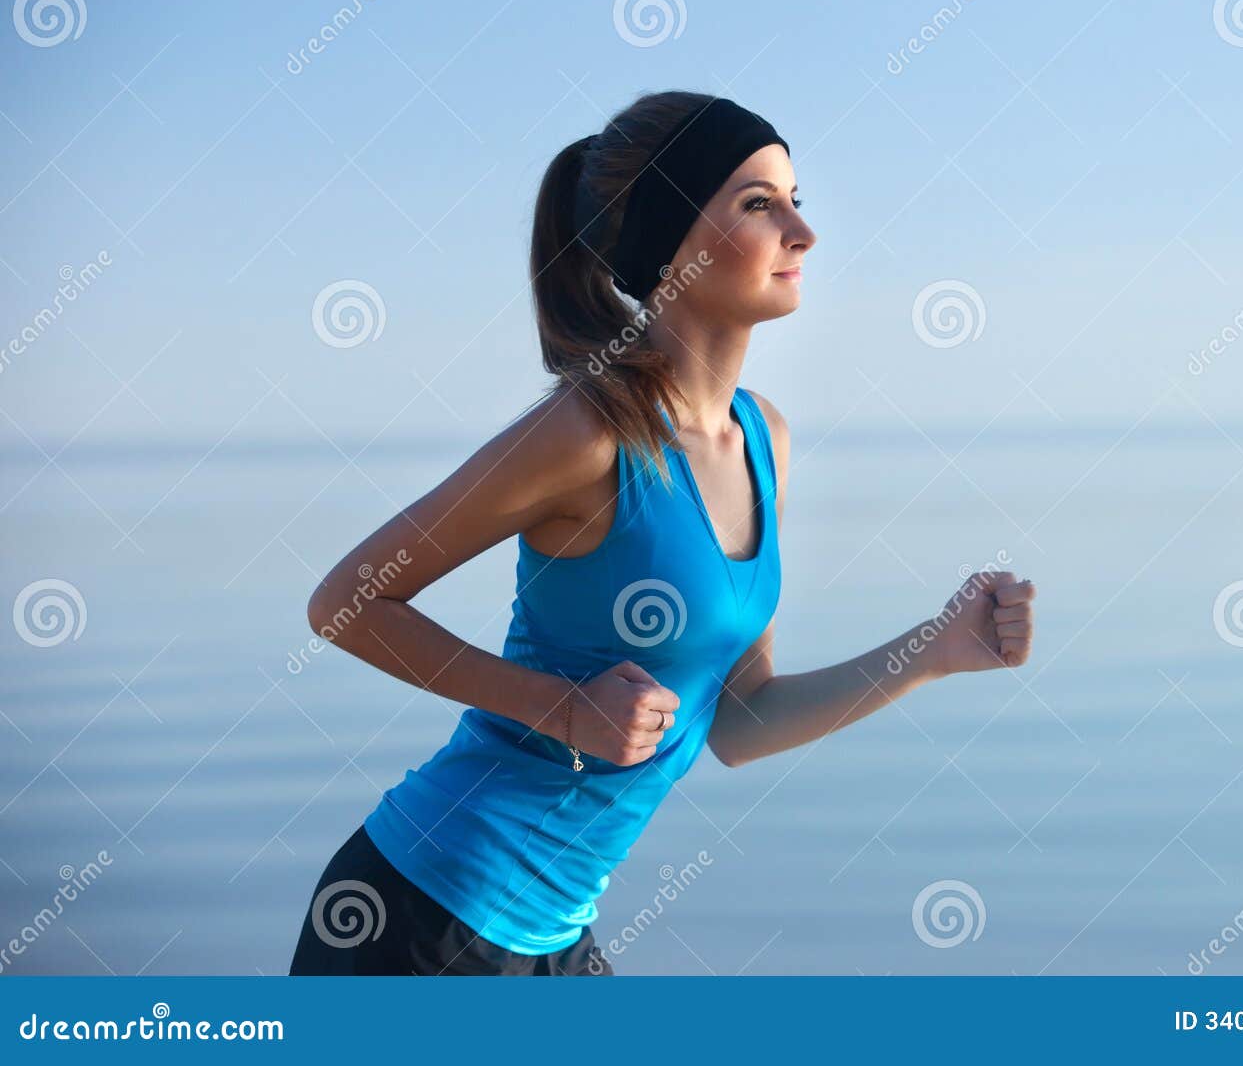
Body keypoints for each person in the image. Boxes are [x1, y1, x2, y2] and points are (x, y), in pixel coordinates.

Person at [288, 91, 1036, 975]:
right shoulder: (589, 433)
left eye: (798, 199)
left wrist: (935, 649)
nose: (803, 231)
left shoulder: (763, 440)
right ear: (668, 245)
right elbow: (346, 601)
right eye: (760, 203)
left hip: (555, 938)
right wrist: (563, 709)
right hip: (422, 918)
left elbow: (740, 718)